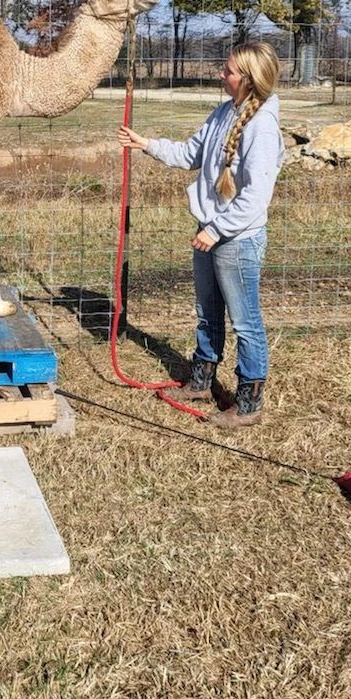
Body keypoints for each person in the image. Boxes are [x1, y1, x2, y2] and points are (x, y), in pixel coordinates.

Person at [118, 43, 284, 429]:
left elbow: (256, 196)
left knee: (245, 321)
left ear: (247, 79)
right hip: (210, 232)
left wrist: (216, 229)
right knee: (207, 313)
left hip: (236, 238)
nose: (220, 75)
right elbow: (192, 153)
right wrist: (146, 144)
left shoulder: (262, 127)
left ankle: (248, 403)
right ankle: (202, 381)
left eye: (227, 71)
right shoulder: (226, 112)